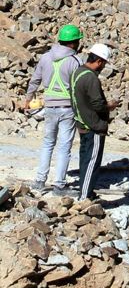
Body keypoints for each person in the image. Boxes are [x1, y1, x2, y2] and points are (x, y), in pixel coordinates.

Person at [23, 24, 84, 194]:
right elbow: (80, 87)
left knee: (47, 143)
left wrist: (28, 98)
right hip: (67, 109)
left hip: (49, 107)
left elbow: (35, 80)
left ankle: (40, 180)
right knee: (64, 146)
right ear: (72, 43)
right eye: (78, 40)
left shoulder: (45, 57)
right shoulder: (76, 61)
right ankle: (59, 184)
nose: (79, 43)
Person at [71, 44, 114, 201]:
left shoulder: (78, 72)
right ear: (100, 61)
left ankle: (86, 192)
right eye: (104, 63)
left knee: (85, 160)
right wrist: (110, 106)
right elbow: (97, 104)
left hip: (83, 123)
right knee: (92, 163)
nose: (103, 67)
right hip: (93, 126)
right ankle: (84, 198)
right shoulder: (91, 77)